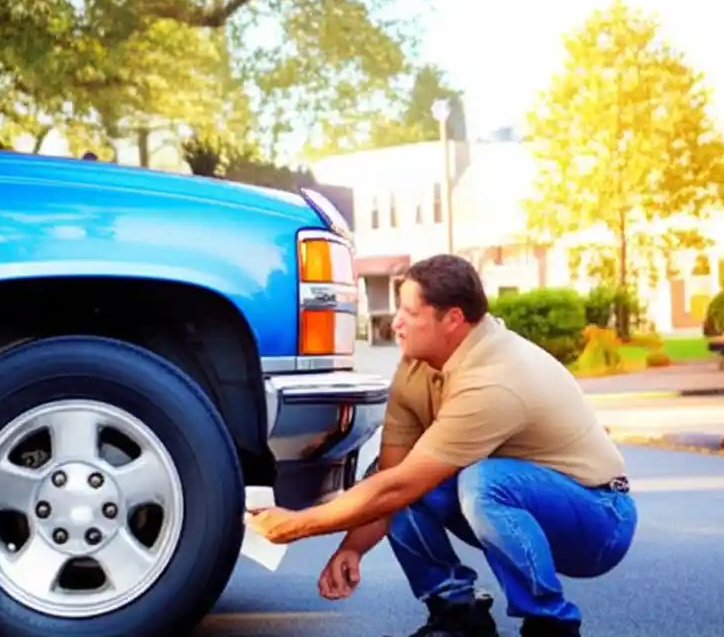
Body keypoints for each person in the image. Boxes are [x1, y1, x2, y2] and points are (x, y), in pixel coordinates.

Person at [248, 254, 637, 637]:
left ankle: (550, 624)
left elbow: (401, 487)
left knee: (482, 482)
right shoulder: (416, 365)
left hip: (600, 519)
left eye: (409, 312)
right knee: (398, 481)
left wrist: (297, 525)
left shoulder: (494, 378)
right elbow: (392, 479)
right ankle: (457, 614)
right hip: (532, 505)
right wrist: (352, 548)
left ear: (452, 319)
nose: (395, 322)